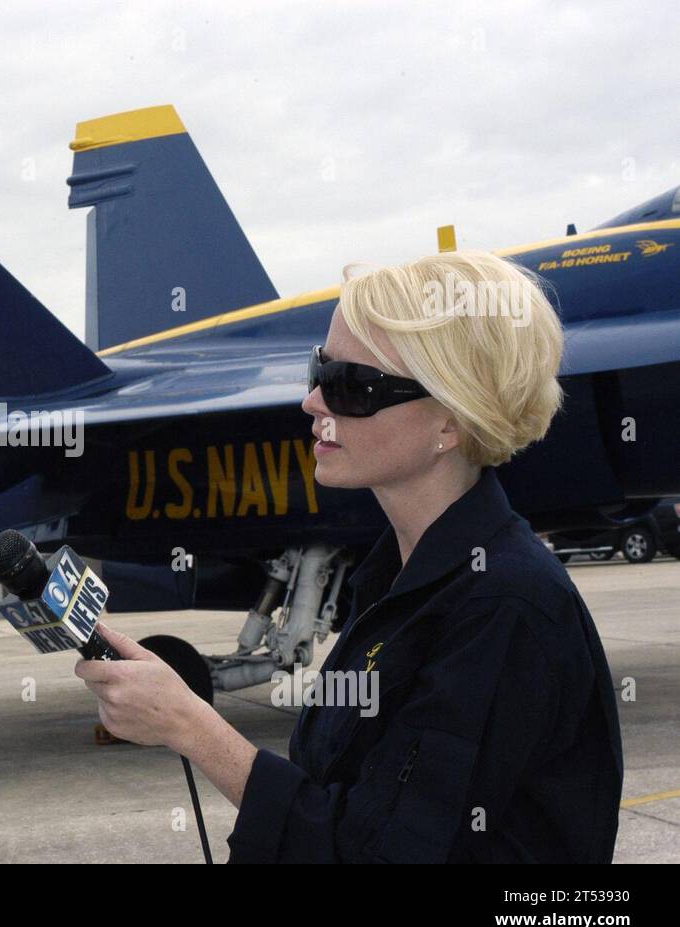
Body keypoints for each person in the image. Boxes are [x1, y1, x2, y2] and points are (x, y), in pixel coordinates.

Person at [76, 250, 625, 863]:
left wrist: (191, 725)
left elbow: (377, 855)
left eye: (351, 387)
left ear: (450, 422)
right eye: (320, 370)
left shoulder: (503, 605)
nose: (313, 402)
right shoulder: (401, 578)